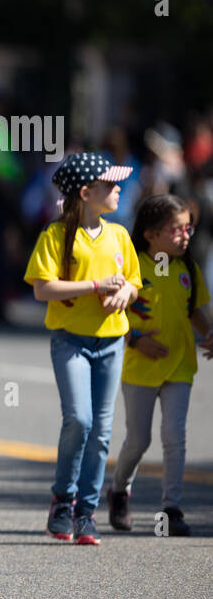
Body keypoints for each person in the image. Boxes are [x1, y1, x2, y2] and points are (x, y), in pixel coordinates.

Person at [23, 152, 140, 545]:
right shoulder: (55, 235)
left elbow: (134, 282)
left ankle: (87, 512)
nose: (118, 189)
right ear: (87, 192)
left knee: (103, 430)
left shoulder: (120, 234)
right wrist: (95, 286)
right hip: (70, 340)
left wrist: (125, 291)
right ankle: (63, 500)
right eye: (110, 185)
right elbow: (42, 288)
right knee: (80, 419)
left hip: (110, 342)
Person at [108, 195, 213, 536]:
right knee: (138, 441)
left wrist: (210, 332)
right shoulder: (132, 266)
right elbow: (113, 313)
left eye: (189, 228)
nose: (186, 235)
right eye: (177, 229)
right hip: (140, 367)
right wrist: (136, 339)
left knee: (174, 438)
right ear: (151, 234)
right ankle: (119, 490)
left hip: (180, 366)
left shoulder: (188, 270)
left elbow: (193, 310)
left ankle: (171, 509)